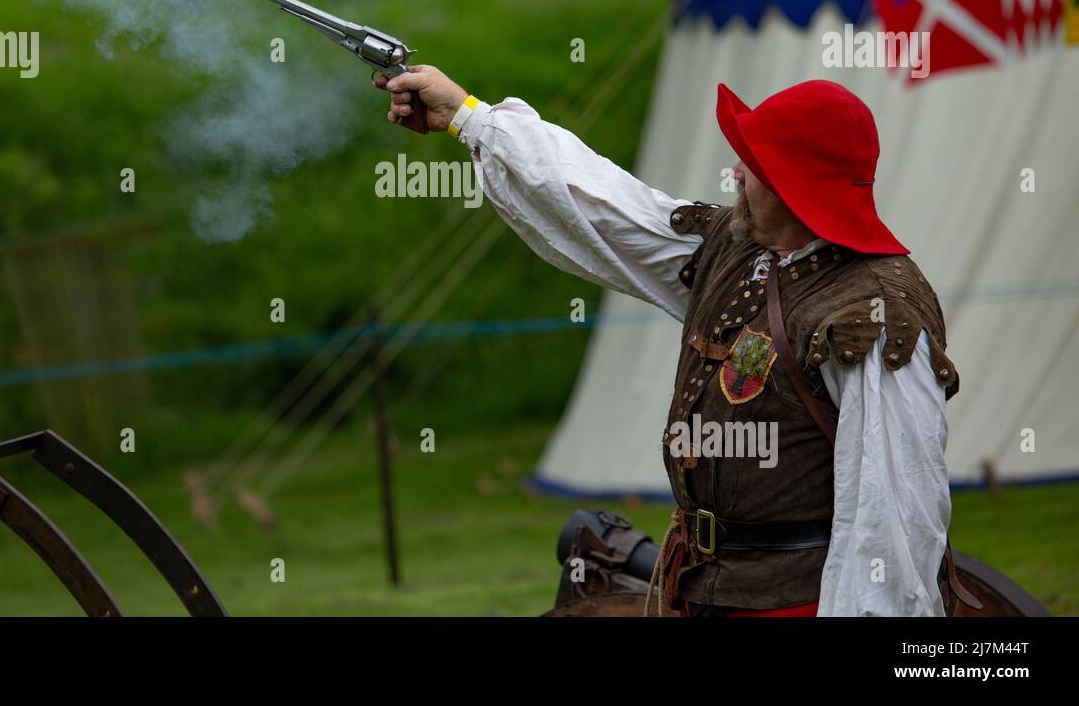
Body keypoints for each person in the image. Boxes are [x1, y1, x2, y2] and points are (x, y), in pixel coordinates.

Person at [377, 65, 967, 617]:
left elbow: (892, 515)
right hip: (695, 584)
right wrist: (468, 115)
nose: (736, 171)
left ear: (796, 186)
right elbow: (609, 208)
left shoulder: (875, 315)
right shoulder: (738, 248)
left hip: (795, 603)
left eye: (754, 164)